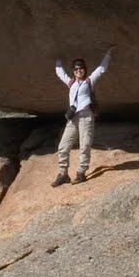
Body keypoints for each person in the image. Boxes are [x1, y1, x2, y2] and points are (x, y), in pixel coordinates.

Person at [53, 49, 111, 186]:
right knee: (63, 146)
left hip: (86, 116)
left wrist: (109, 54)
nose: (79, 71)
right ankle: (63, 174)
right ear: (73, 71)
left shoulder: (89, 81)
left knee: (84, 145)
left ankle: (81, 173)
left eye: (81, 68)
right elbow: (59, 72)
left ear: (85, 70)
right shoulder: (70, 83)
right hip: (72, 118)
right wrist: (58, 59)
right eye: (76, 69)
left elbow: (101, 69)